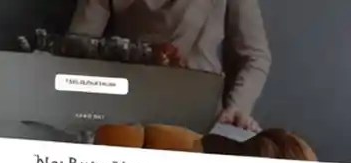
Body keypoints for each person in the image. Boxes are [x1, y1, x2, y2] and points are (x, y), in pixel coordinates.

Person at [69, 0, 271, 132]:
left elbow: (254, 55)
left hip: (204, 121)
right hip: (128, 116)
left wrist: (236, 108)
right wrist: (144, 54)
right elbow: (76, 51)